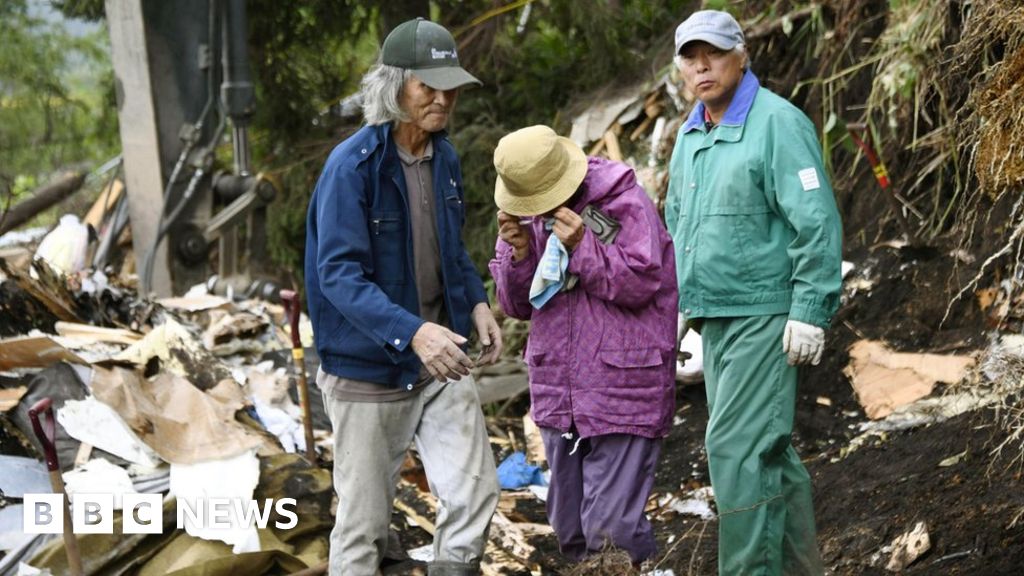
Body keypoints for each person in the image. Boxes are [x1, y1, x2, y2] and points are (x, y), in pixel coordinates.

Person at [304, 18, 502, 576]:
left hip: (441, 360)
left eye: (450, 87)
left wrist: (476, 304)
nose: (442, 99)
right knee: (364, 527)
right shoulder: (352, 168)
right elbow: (338, 276)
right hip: (370, 372)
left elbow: (452, 250)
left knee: (474, 494)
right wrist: (412, 332)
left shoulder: (446, 159)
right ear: (395, 87)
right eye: (427, 87)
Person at [665, 10, 843, 575]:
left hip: (764, 317)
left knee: (738, 455)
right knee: (770, 456)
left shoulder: (776, 123)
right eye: (690, 57)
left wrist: (811, 308)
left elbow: (814, 220)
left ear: (741, 55)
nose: (702, 66)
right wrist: (676, 310)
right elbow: (677, 225)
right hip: (715, 320)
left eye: (713, 53)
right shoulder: (690, 134)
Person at [488, 125, 677, 566]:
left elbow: (643, 282)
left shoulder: (620, 197)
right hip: (559, 390)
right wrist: (518, 257)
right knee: (569, 529)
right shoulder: (524, 212)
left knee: (611, 533)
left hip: (622, 384)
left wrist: (582, 245)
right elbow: (517, 305)